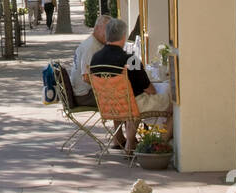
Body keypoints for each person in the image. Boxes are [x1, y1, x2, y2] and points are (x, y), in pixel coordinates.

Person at [88, 17, 172, 153]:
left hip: (108, 105)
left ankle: (131, 144)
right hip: (131, 105)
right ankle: (157, 148)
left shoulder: (95, 58)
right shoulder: (130, 59)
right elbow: (150, 90)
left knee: (132, 100)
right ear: (123, 36)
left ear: (107, 35)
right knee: (174, 104)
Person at [71, 14, 110, 106]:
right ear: (97, 28)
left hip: (83, 92)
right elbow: (86, 77)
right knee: (123, 97)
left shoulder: (95, 42)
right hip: (84, 95)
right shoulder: (91, 47)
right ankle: (125, 120)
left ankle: (122, 119)